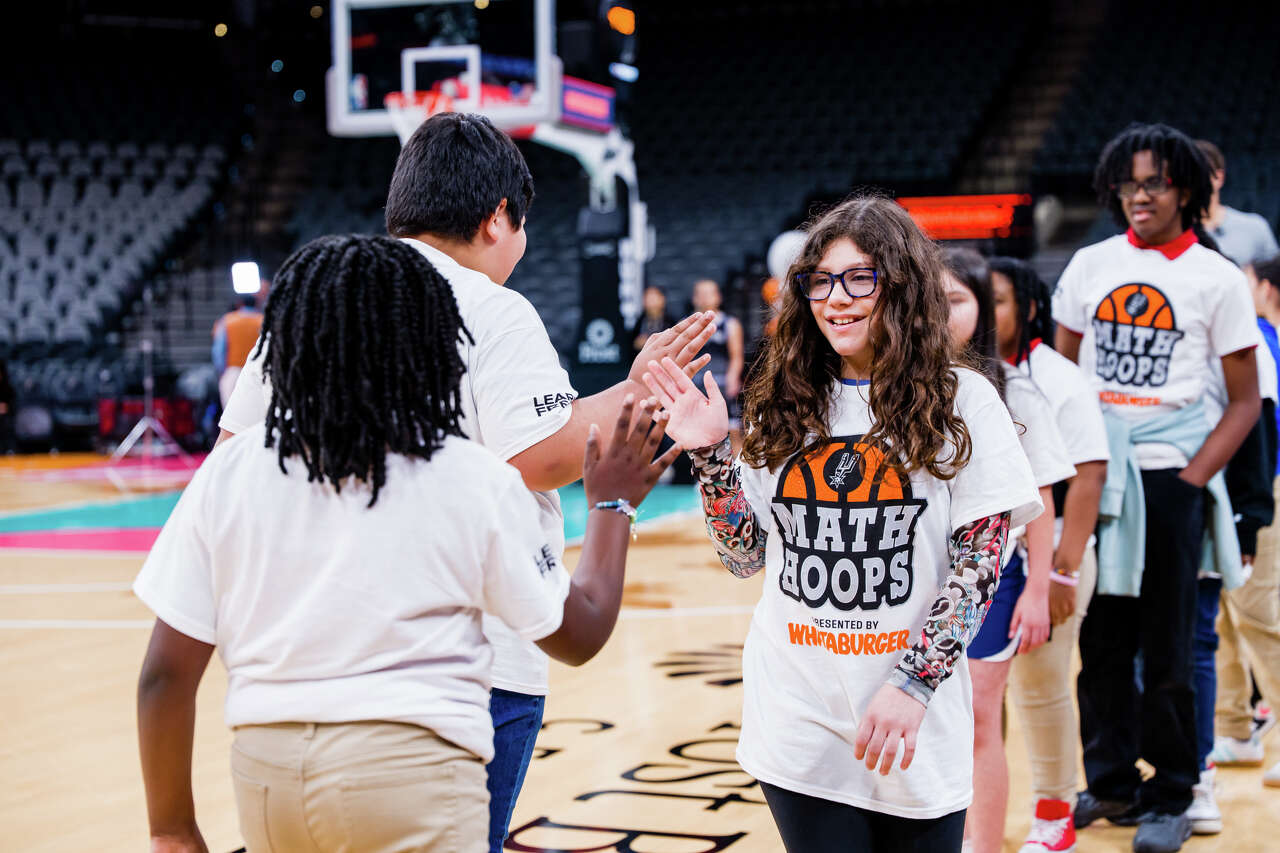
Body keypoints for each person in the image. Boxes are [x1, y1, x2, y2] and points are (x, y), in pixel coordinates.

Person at [215, 113, 716, 853]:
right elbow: (538, 453)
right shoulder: (491, 309)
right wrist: (628, 423)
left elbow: (232, 456)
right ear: (497, 217)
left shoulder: (315, 309)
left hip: (304, 664)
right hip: (464, 667)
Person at [135, 234, 679, 853]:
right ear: (430, 346)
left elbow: (163, 677)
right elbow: (579, 634)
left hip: (268, 776)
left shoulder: (230, 472)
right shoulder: (467, 475)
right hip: (408, 772)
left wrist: (171, 829)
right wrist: (611, 504)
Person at [644, 195, 1042, 853]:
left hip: (912, 716)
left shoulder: (964, 400)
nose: (836, 298)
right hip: (798, 715)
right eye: (821, 280)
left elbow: (979, 566)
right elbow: (745, 555)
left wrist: (913, 683)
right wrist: (711, 454)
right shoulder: (785, 400)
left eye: (860, 278)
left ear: (902, 285)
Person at [1054, 122, 1260, 853]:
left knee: (1168, 646)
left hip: (1171, 472)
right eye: (1129, 183)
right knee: (1101, 642)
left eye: (1156, 183)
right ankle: (1112, 781)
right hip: (1097, 477)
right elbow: (1061, 378)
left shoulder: (1216, 277)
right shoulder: (1090, 265)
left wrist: (1191, 478)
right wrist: (1069, 472)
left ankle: (1173, 791)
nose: (1139, 196)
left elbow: (1245, 402)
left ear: (1187, 189)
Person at [941, 248, 1074, 853]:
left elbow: (1041, 499)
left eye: (956, 300)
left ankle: (984, 844)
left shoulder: (1013, 390)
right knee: (932, 722)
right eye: (930, 299)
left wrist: (1039, 590)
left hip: (991, 580)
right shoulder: (895, 385)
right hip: (917, 581)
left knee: (977, 721)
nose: (940, 313)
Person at [990, 256, 1110, 852]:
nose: (984, 312)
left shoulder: (1056, 378)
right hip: (982, 560)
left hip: (1050, 552)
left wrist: (1062, 571)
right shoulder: (954, 374)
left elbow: (1088, 475)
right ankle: (980, 820)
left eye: (997, 300)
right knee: (978, 698)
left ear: (1029, 307)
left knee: (1041, 688)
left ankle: (1055, 812)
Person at [1211, 253, 1280, 790]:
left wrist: (1255, 505)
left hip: (1260, 489)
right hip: (1222, 489)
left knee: (1258, 612)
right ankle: (1234, 728)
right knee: (1220, 617)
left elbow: (1263, 429)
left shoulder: (1256, 339)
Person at [1195, 140, 1280, 268]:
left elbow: (1273, 277)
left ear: (1219, 177)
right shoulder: (1170, 232)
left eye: (1198, 174)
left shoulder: (1254, 227)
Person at [689, 278, 745, 447]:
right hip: (696, 384)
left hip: (722, 383)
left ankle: (737, 464)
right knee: (698, 435)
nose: (705, 297)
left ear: (718, 297)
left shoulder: (730, 324)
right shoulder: (686, 325)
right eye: (701, 294)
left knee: (732, 431)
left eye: (709, 293)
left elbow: (736, 356)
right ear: (694, 298)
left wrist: (733, 378)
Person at [211, 292, 263, 408]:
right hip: (258, 371)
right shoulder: (263, 321)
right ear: (256, 304)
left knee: (231, 412)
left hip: (234, 371)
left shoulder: (227, 320)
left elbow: (219, 350)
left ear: (240, 303)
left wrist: (222, 372)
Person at [629, 284, 674, 355]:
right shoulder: (639, 322)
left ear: (662, 299)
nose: (650, 301)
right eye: (647, 298)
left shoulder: (671, 322)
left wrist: (652, 343)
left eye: (653, 298)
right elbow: (631, 344)